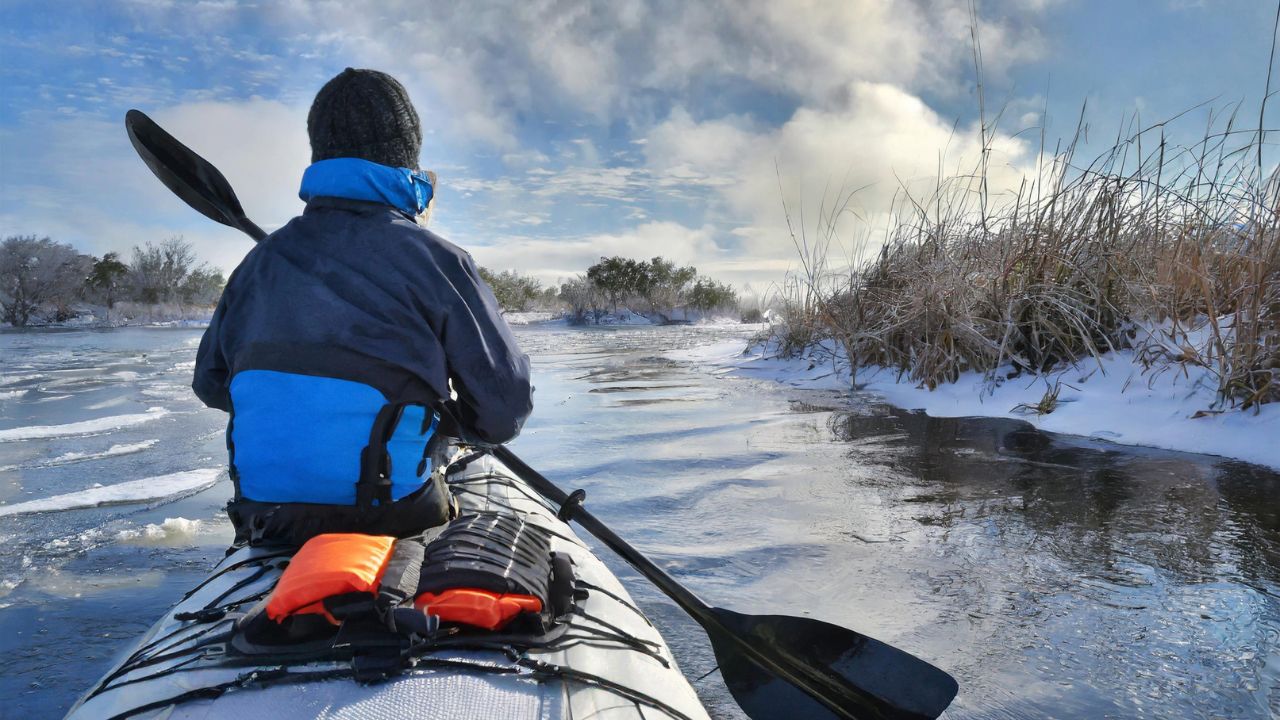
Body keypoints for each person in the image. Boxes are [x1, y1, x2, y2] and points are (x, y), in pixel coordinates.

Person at [192, 68, 533, 546]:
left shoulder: (259, 264)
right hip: (393, 513)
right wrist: (444, 425)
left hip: (266, 518)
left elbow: (210, 385)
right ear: (406, 158)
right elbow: (503, 411)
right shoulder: (438, 261)